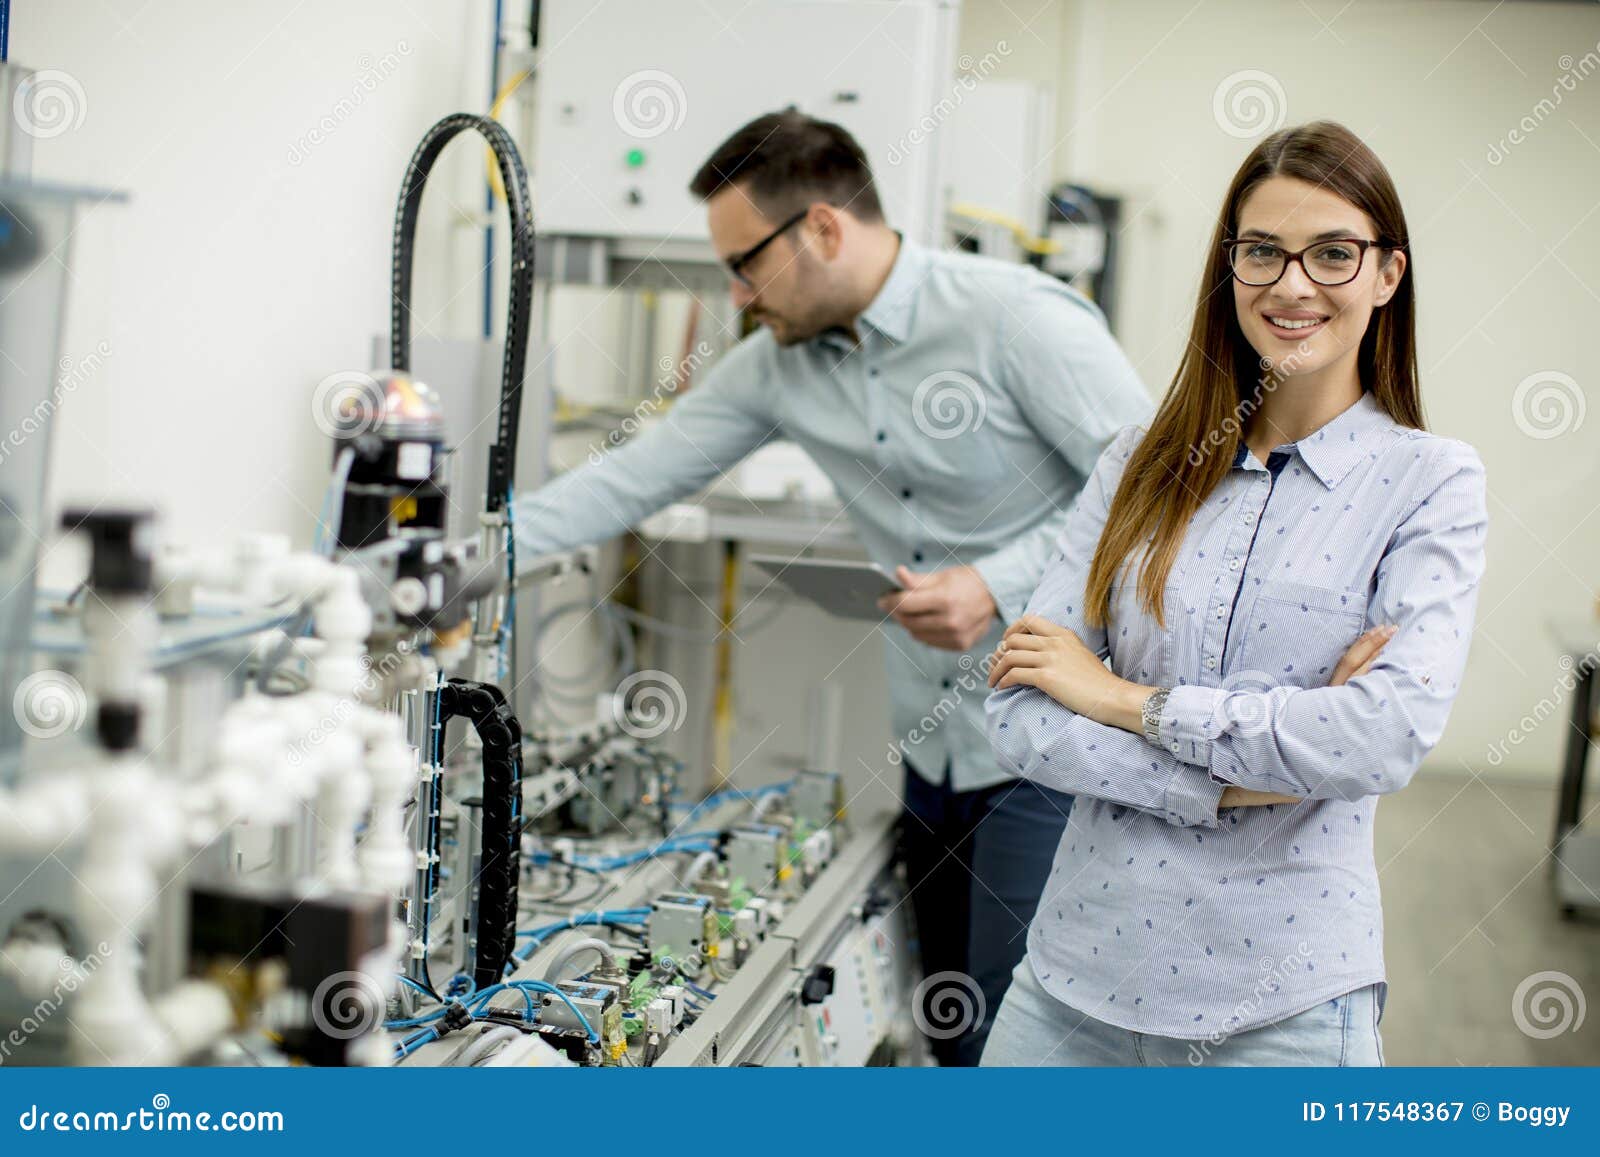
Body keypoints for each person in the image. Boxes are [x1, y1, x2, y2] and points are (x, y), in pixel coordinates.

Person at [512, 109, 1153, 1064]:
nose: (734, 293)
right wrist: (474, 550)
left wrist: (997, 582)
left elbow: (1155, 498)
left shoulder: (1015, 320)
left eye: (744, 264)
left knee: (1019, 1046)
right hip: (933, 754)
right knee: (947, 1027)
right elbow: (635, 475)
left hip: (1050, 748)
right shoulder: (778, 366)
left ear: (821, 227)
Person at [980, 121, 1487, 1066]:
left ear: (1387, 274)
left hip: (1280, 1013)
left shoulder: (1430, 483)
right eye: (1263, 252)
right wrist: (1237, 779)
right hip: (1068, 986)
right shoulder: (1137, 462)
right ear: (1230, 269)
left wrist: (1124, 699)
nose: (1293, 285)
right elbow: (1015, 712)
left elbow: (1382, 735)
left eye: (1334, 253)